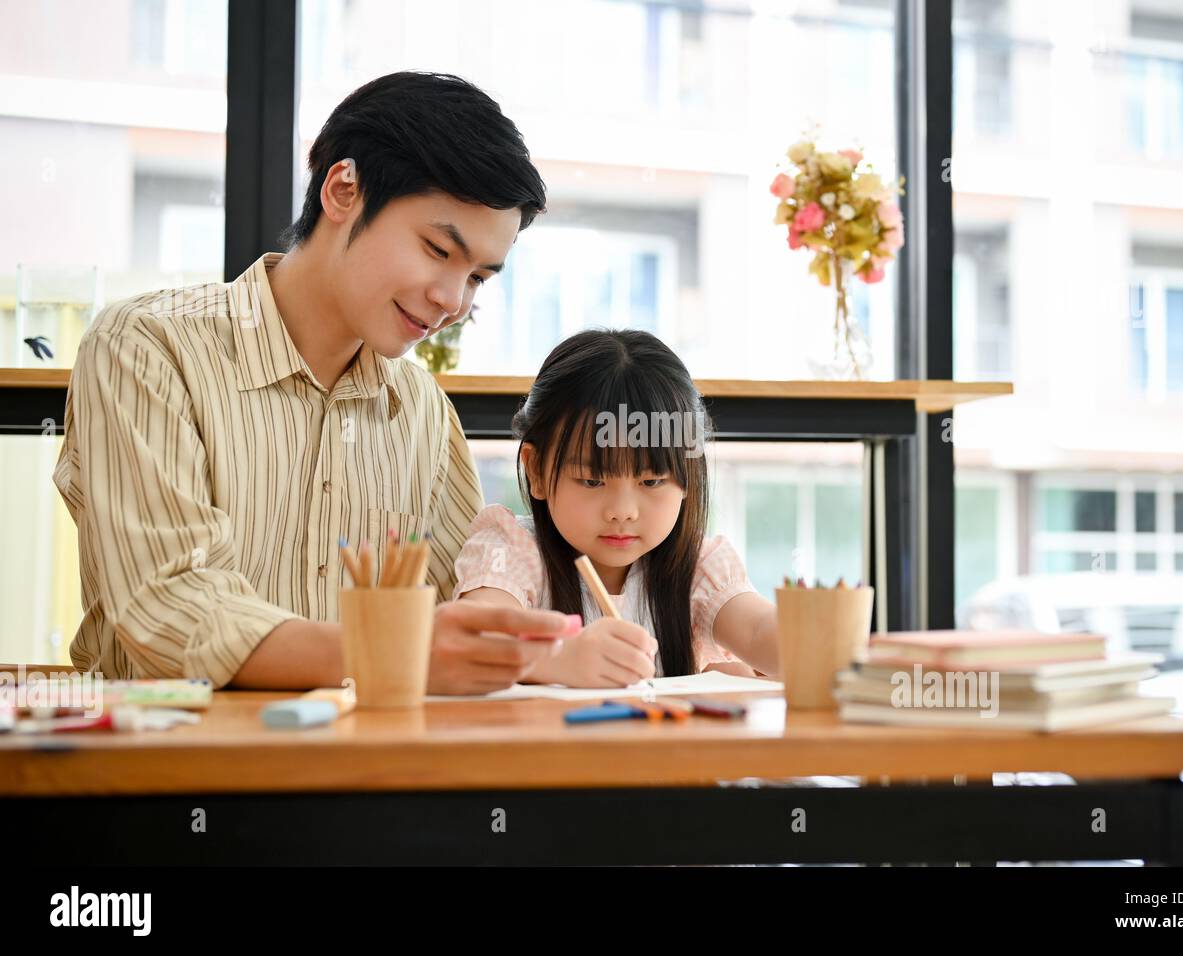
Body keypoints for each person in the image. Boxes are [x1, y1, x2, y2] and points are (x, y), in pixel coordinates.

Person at [53, 72, 572, 692]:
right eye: (438, 250)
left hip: (370, 773)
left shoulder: (422, 413)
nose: (451, 300)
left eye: (478, 278)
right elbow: (171, 606)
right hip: (171, 767)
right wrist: (392, 651)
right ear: (342, 189)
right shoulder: (147, 348)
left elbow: (462, 610)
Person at [454, 329, 781, 687]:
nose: (622, 512)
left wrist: (824, 644)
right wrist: (558, 658)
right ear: (537, 471)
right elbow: (471, 639)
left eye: (652, 481)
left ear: (688, 474)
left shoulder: (700, 566)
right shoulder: (512, 551)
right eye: (593, 481)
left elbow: (757, 630)